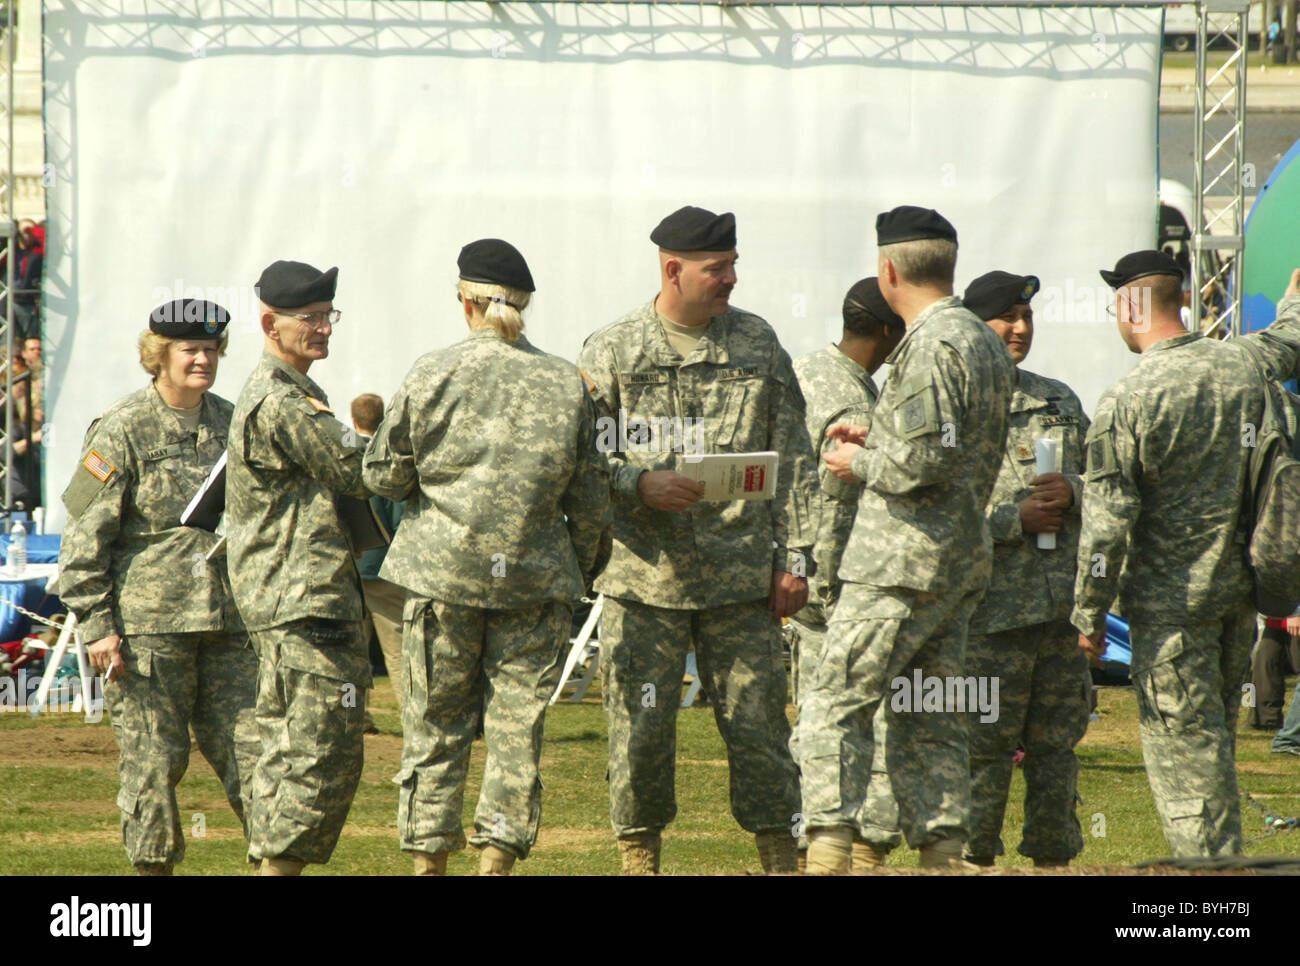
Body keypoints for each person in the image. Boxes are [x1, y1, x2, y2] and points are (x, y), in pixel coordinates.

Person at [576, 205, 816, 874]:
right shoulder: (613, 351)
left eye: (734, 264)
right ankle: (639, 862)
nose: (731, 279)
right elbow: (581, 460)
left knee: (761, 730)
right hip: (643, 582)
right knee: (638, 736)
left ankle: (780, 860)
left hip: (740, 584)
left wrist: (795, 560)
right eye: (718, 268)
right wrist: (637, 483)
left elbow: (793, 457)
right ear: (673, 269)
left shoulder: (757, 344)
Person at [364, 239, 611, 875]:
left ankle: (429, 868)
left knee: (434, 731)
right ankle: (496, 864)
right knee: (514, 733)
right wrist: (575, 567)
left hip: (441, 580)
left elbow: (385, 476)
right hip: (533, 585)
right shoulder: (566, 381)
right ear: (523, 306)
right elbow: (589, 498)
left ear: (464, 301)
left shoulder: (431, 373)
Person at [799, 206, 1015, 873]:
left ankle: (830, 853)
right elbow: (949, 447)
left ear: (888, 270)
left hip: (897, 563)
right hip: (955, 562)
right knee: (931, 716)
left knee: (835, 703)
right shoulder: (980, 338)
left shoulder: (928, 344)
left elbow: (918, 466)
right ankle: (944, 855)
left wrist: (855, 461)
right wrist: (884, 439)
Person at [1073, 256, 1300, 857]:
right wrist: (1296, 299)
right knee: (1213, 749)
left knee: (1183, 765)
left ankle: (1205, 903)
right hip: (1240, 600)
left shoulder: (1129, 398)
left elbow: (1105, 528)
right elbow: (1290, 343)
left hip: (1171, 612)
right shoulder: (1244, 366)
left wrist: (1088, 617)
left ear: (1131, 306)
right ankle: (1226, 874)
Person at [57, 298, 257, 875]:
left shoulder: (232, 420)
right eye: (189, 349)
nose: (203, 360)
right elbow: (83, 535)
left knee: (258, 758)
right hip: (148, 630)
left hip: (229, 623)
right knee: (153, 764)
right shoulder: (120, 428)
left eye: (211, 349)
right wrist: (98, 627)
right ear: (158, 356)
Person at [226, 260, 371, 876]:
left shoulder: (292, 394)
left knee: (285, 753)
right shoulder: (283, 401)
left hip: (290, 601)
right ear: (270, 323)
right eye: (309, 318)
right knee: (320, 755)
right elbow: (358, 472)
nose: (323, 329)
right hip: (304, 601)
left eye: (327, 316)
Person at [960, 270, 1092, 868]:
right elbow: (930, 516)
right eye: (1006, 318)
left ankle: (1053, 858)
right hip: (987, 620)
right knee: (981, 755)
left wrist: (1074, 489)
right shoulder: (956, 402)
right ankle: (970, 860)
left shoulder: (1059, 399)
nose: (1019, 329)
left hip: (1058, 617)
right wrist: (1014, 520)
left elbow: (1109, 489)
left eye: (1027, 318)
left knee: (1057, 750)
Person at [788, 277, 904, 872]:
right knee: (859, 731)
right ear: (888, 330)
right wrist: (833, 598)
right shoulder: (855, 404)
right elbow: (835, 512)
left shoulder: (806, 370)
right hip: (835, 596)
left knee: (815, 721)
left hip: (799, 584)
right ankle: (855, 855)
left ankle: (817, 842)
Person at [351, 392, 407, 734]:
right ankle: (411, 718)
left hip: (353, 569)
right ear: (382, 419)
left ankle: (357, 717)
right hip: (386, 569)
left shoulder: (345, 455)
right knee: (398, 652)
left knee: (355, 652)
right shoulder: (389, 458)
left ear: (353, 420)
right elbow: (400, 518)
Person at [1251, 611, 1300, 730]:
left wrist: (1296, 613)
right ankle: (1266, 720)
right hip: (1274, 620)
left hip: (1295, 619)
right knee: (1264, 665)